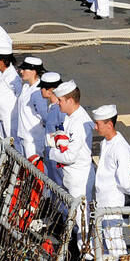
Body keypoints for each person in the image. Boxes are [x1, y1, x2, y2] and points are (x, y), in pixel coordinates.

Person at [46, 80, 94, 243]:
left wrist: (52, 152)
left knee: (82, 221)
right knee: (74, 217)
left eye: (60, 100)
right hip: (71, 175)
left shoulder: (79, 123)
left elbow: (69, 156)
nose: (57, 103)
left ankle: (87, 258)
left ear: (70, 101)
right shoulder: (71, 117)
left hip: (78, 176)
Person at [91, 103, 130, 261]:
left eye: (98, 123)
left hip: (112, 200)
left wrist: (128, 189)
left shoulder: (120, 148)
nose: (96, 127)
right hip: (103, 199)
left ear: (109, 124)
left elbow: (125, 182)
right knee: (106, 242)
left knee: (115, 240)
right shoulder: (106, 143)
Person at [12, 56, 47, 158]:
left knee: (34, 168)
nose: (21, 71)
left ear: (33, 71)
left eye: (24, 69)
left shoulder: (38, 92)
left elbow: (44, 116)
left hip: (33, 139)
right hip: (23, 135)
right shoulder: (26, 87)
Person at [0, 40, 20, 141]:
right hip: (2, 115)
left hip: (10, 118)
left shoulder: (11, 76)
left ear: (2, 61)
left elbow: (19, 93)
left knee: (12, 142)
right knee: (3, 141)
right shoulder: (1, 73)